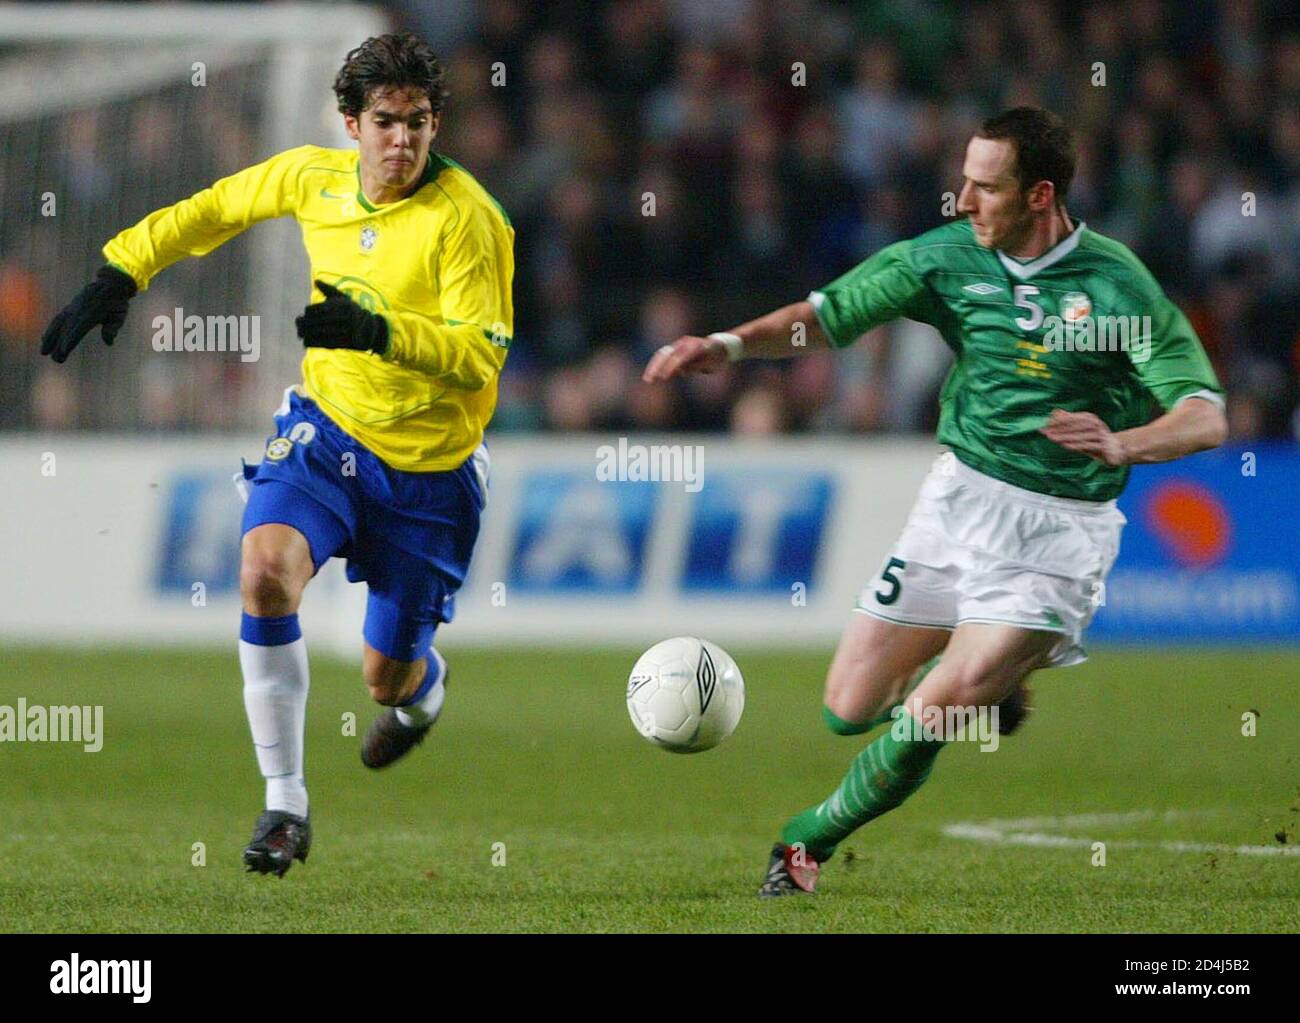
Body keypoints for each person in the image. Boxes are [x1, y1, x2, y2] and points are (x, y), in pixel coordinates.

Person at [642, 107, 1227, 897]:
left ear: (1041, 194)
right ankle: (985, 674)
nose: (964, 200)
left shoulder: (1114, 285)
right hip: (957, 504)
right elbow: (828, 318)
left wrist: (1129, 442)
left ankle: (806, 840)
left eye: (986, 187)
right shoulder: (944, 258)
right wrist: (730, 346)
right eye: (964, 181)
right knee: (848, 708)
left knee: (935, 706)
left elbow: (1205, 412)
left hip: (1060, 529)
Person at [40, 33, 514, 877]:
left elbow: (480, 354)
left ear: (436, 123)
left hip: (430, 477)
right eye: (384, 122)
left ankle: (422, 691)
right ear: (350, 123)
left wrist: (378, 332)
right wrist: (121, 268)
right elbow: (214, 208)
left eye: (417, 123)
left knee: (385, 678)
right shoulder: (311, 177)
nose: (401, 141)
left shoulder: (470, 220)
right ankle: (285, 802)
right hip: (327, 436)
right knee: (264, 566)